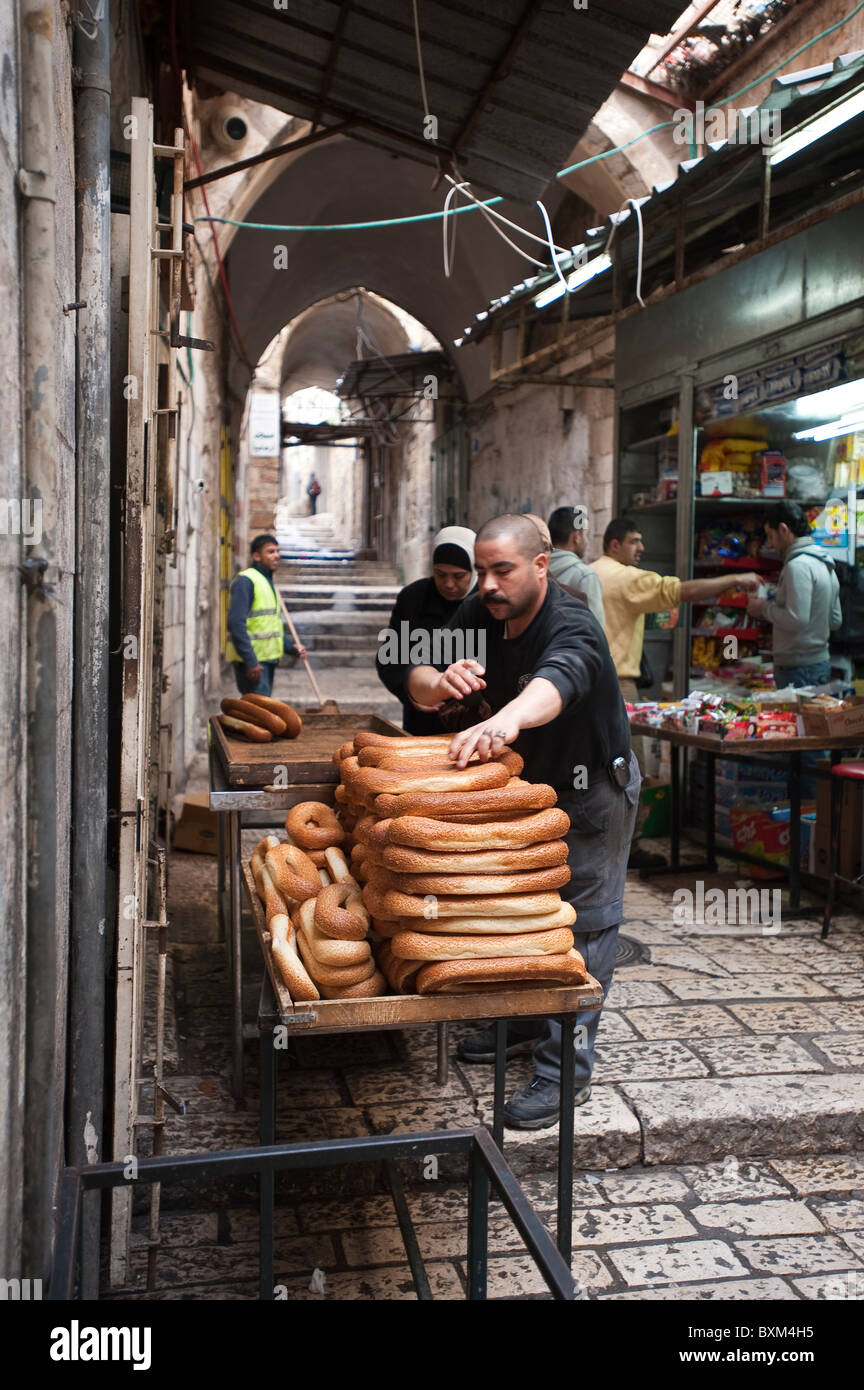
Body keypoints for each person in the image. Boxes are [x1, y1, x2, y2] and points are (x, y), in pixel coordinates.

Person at [405, 513, 640, 1129]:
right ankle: (528, 1020)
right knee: (526, 912)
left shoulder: (571, 622)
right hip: (526, 793)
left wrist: (507, 719)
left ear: (540, 565)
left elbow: (559, 681)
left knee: (585, 930)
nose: (487, 583)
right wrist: (438, 681)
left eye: (501, 569)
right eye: (481, 570)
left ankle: (567, 1074)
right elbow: (414, 673)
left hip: (590, 794)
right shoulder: (486, 612)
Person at [591, 518, 761, 870]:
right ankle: (628, 849)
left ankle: (598, 844)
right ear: (614, 545)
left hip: (585, 683)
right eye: (634, 541)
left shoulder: (589, 573)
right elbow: (683, 591)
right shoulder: (627, 578)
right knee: (628, 768)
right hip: (616, 684)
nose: (641, 549)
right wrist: (733, 580)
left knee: (595, 768)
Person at [376, 526, 476, 734]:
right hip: (422, 718)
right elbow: (390, 659)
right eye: (441, 575)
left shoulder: (485, 603)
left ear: (474, 571)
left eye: (458, 576)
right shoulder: (413, 598)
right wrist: (411, 693)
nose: (449, 584)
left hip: (475, 723)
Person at [746, 501, 842, 687]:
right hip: (820, 663)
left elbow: (797, 619)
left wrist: (763, 608)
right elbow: (835, 620)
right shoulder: (825, 562)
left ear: (783, 529)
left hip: (797, 669)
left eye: (770, 536)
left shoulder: (797, 566)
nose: (770, 544)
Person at [226, 534, 307, 696]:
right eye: (270, 552)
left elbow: (269, 628)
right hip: (254, 663)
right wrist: (251, 661)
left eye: (277, 551)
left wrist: (291, 647)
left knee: (261, 712)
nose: (276, 555)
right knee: (258, 714)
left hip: (266, 660)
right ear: (256, 556)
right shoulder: (246, 581)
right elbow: (236, 623)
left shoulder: (266, 583)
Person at [547, 505, 605, 626]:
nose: (587, 541)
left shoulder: (536, 569)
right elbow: (595, 631)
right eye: (586, 535)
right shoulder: (585, 576)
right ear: (576, 537)